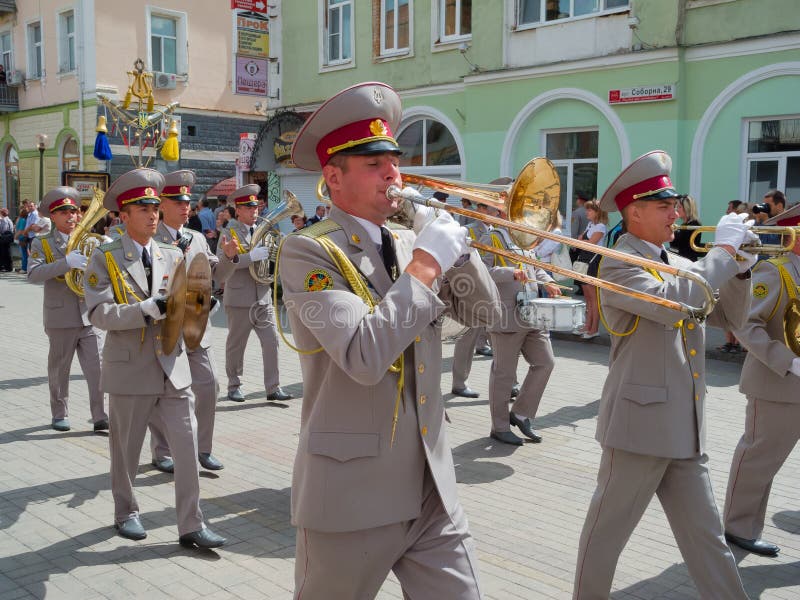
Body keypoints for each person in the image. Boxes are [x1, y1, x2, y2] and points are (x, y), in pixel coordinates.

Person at [279, 81, 500, 598]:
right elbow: (362, 355)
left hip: (429, 486)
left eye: (394, 161)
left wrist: (459, 253)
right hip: (353, 496)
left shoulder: (407, 241)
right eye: (374, 164)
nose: (393, 174)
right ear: (334, 177)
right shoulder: (309, 252)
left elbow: (485, 312)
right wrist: (426, 265)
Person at [572, 150, 756, 600]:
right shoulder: (616, 260)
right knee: (606, 537)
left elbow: (730, 316)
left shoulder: (676, 262)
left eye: (675, 204)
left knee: (709, 541)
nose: (677, 213)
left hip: (684, 428)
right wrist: (723, 252)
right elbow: (671, 305)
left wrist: (740, 270)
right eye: (664, 206)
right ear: (634, 212)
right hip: (639, 427)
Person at [83, 168, 225, 548]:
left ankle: (191, 523)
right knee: (126, 450)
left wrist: (201, 304)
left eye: (153, 208)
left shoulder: (171, 252)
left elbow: (182, 303)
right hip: (130, 367)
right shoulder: (105, 256)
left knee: (186, 444)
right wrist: (145, 309)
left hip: (172, 363)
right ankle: (125, 512)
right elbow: (98, 314)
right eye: (141, 208)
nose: (151, 215)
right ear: (123, 215)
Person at [723, 203, 800, 559]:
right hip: (778, 386)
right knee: (759, 461)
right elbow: (747, 327)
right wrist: (790, 364)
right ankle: (739, 528)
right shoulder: (774, 271)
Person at [147, 170, 225, 474]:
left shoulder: (195, 238)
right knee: (164, 393)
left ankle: (202, 448)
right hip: (165, 328)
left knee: (209, 385)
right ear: (161, 204)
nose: (185, 207)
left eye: (187, 201)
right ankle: (162, 450)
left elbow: (211, 277)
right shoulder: (152, 238)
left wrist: (228, 261)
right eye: (177, 201)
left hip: (195, 327)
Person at [25, 188, 107, 432]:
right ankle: (60, 413)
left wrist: (111, 252)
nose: (71, 216)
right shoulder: (43, 242)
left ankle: (100, 415)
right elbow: (33, 274)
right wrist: (65, 263)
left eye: (75, 211)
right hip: (60, 317)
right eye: (64, 212)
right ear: (53, 215)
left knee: (98, 368)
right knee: (60, 369)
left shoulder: (91, 240)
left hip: (89, 315)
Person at [481, 213, 560, 446]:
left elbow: (535, 269)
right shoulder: (492, 237)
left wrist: (549, 281)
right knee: (504, 374)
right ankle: (500, 427)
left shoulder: (524, 239)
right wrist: (509, 272)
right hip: (506, 316)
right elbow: (480, 273)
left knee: (546, 362)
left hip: (532, 314)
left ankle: (521, 413)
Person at [216, 185, 292, 403]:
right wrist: (252, 256)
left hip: (262, 297)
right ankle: (234, 386)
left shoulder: (264, 230)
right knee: (236, 345)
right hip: (239, 299)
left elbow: (271, 256)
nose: (254, 211)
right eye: (248, 208)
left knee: (272, 342)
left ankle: (273, 387)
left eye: (256, 207)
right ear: (238, 210)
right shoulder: (229, 232)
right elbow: (225, 263)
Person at [451, 201, 493, 398]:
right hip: (475, 291)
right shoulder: (467, 231)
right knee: (468, 337)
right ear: (482, 209)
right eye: (497, 210)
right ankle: (459, 382)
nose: (502, 214)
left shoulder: (501, 232)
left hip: (496, 290)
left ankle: (509, 384)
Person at [573, 200, 607, 339]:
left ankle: (594, 329)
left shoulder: (600, 226)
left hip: (593, 261)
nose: (587, 212)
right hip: (584, 260)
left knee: (593, 298)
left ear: (597, 212)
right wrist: (582, 241)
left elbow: (590, 243)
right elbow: (582, 239)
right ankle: (587, 325)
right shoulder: (590, 225)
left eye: (590, 210)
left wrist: (581, 241)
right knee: (587, 297)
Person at [670, 194, 702, 261]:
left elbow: (679, 244)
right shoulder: (684, 225)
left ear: (687, 208)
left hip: (687, 263)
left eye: (679, 207)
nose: (677, 209)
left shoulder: (694, 224)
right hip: (680, 260)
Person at [14, 205, 29, 272]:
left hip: (22, 238)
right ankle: (24, 267)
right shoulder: (22, 219)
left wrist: (15, 237)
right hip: (22, 237)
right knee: (24, 253)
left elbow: (21, 230)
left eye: (21, 210)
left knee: (24, 254)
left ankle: (24, 268)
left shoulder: (22, 220)